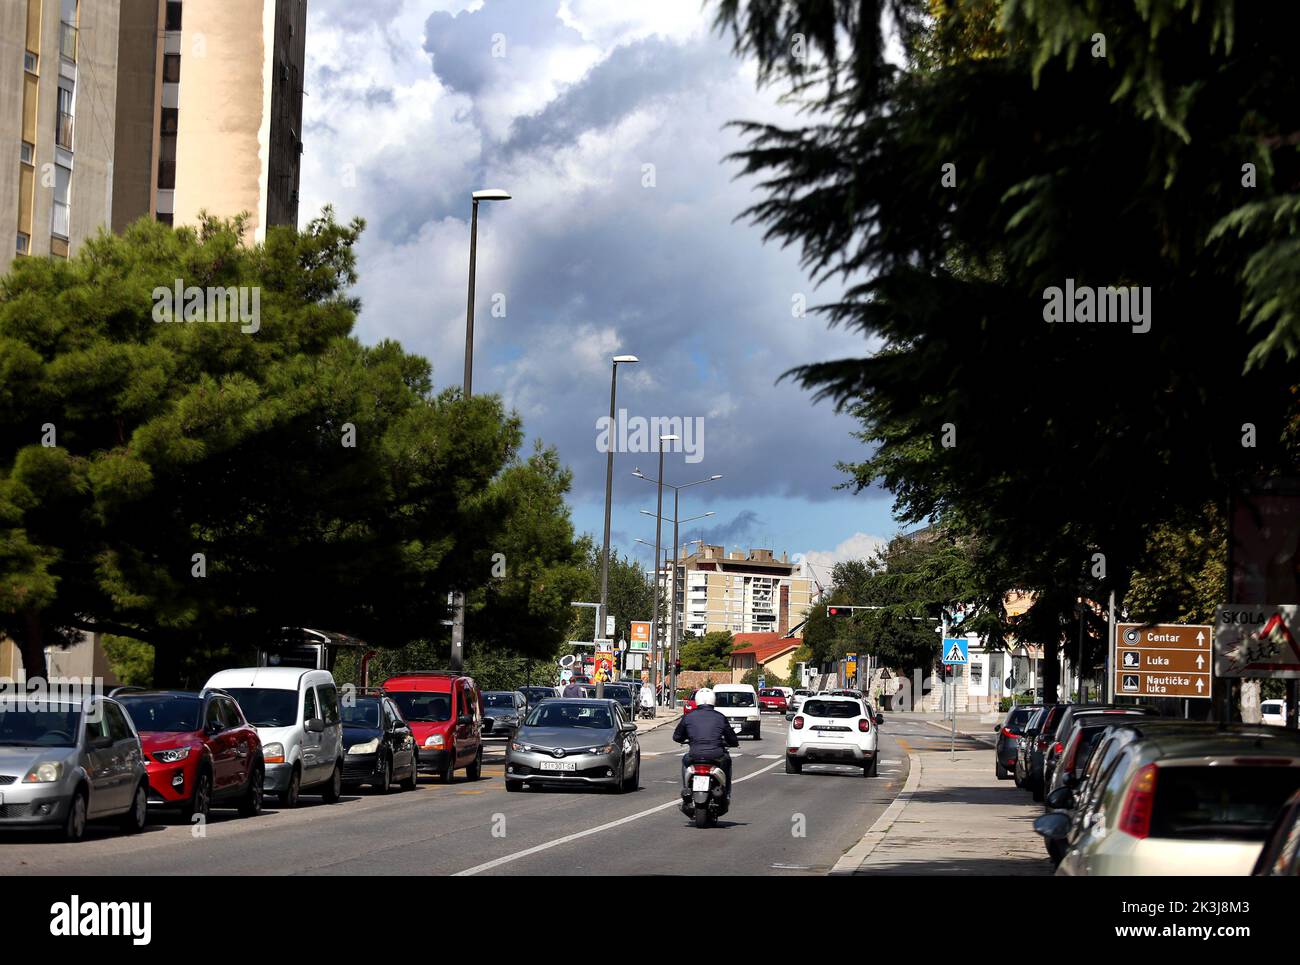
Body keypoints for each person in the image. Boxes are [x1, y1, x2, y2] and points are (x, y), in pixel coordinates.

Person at [671, 688, 739, 810]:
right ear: (713, 701)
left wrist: (685, 739)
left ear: (697, 701)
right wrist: (732, 742)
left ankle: (686, 787)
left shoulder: (689, 717)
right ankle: (726, 792)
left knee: (685, 760)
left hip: (695, 755)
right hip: (716, 755)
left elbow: (677, 736)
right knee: (727, 761)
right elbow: (732, 738)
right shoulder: (720, 717)